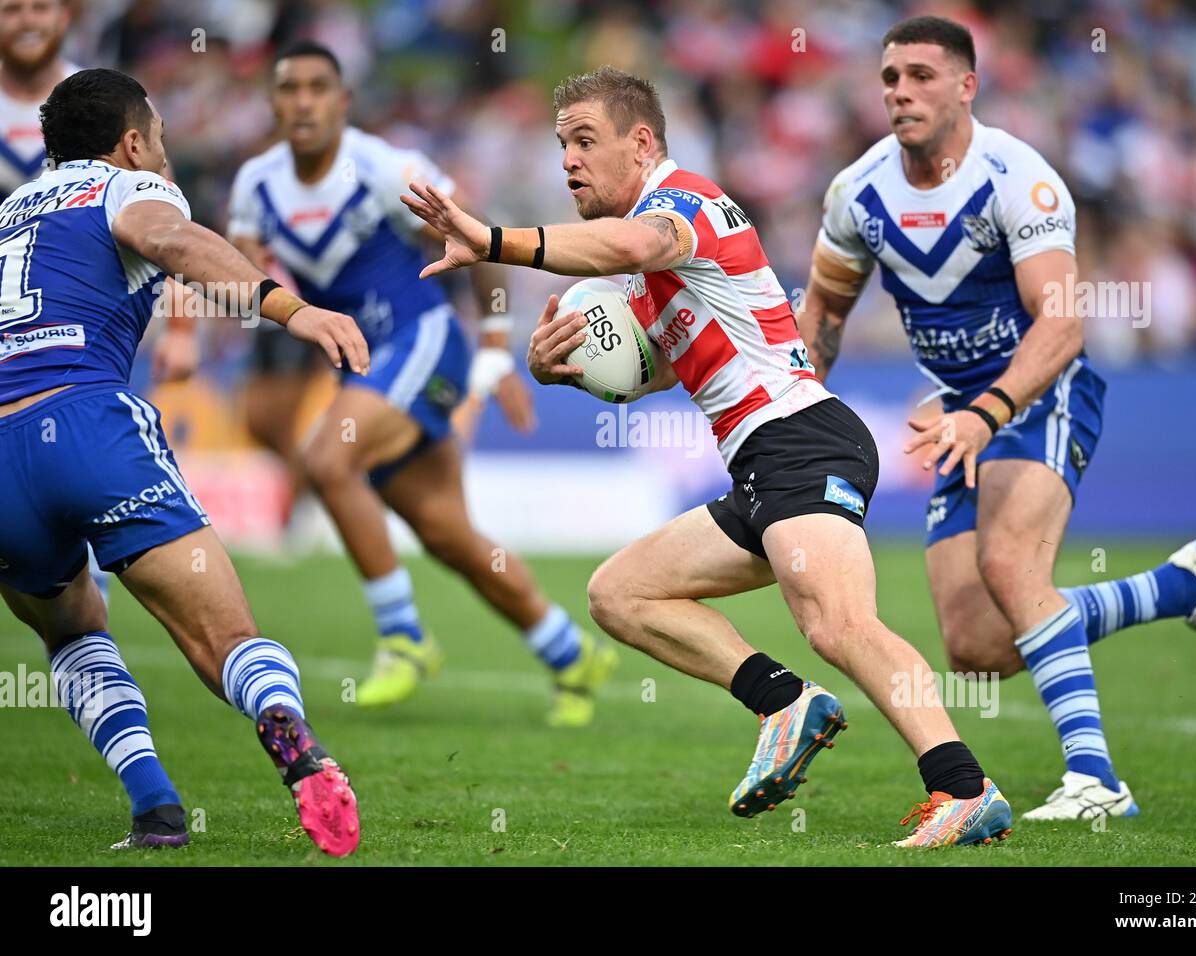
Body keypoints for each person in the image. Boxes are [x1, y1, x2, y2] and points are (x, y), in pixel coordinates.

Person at [402, 65, 1013, 847]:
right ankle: (784, 702)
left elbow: (631, 240)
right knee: (621, 594)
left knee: (840, 623)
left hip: (800, 439)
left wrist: (492, 241)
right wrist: (565, 370)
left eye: (585, 141)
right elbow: (657, 368)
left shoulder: (680, 203)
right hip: (759, 466)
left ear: (643, 141)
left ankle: (964, 789)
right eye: (562, 144)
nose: (568, 161)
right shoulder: (651, 271)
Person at [798, 15, 1196, 819]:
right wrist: (794, 409)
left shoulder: (1019, 178)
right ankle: (1181, 585)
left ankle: (1097, 783)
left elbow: (1062, 322)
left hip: (1039, 392)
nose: (901, 92)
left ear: (967, 85)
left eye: (920, 75)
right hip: (958, 416)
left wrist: (989, 410)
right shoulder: (857, 193)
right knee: (978, 649)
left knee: (1014, 565)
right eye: (889, 78)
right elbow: (823, 315)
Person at [0, 67, 368, 854]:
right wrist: (291, 309)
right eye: (160, 138)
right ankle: (281, 720)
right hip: (87, 422)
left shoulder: (8, 214)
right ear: (132, 142)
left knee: (70, 633)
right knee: (223, 638)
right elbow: (169, 242)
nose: (165, 155)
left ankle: (156, 809)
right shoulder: (128, 187)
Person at [228, 42, 615, 723]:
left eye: (320, 87)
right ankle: (570, 653)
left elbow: (482, 237)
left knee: (327, 458)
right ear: (274, 101)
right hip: (370, 370)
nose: (304, 101)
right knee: (449, 536)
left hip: (425, 342)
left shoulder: (384, 168)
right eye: (290, 88)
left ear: (343, 101)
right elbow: (236, 274)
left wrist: (495, 344)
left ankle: (403, 637)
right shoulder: (255, 187)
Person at [0, 0, 198, 607]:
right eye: (12, 9)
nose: (28, 20)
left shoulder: (96, 102)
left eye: (41, 6)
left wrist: (183, 325)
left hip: (90, 316)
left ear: (67, 16)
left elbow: (169, 231)